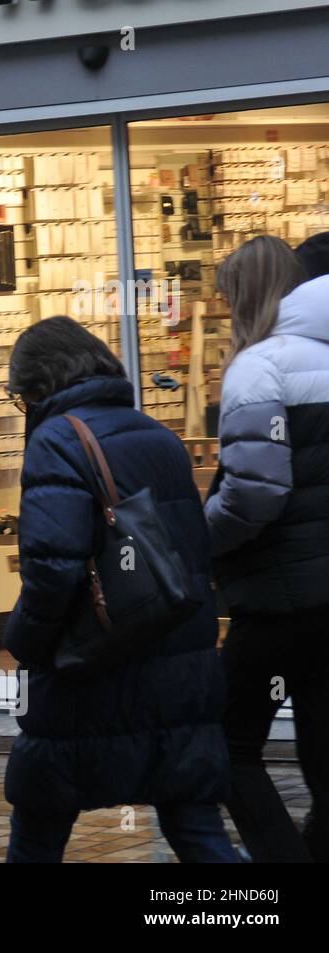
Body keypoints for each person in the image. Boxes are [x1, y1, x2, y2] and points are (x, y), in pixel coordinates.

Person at [2, 316, 235, 863]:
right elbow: (191, 550)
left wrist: (25, 642)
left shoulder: (56, 439)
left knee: (38, 823)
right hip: (176, 661)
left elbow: (52, 570)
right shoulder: (157, 434)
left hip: (90, 666)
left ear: (40, 387)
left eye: (22, 398)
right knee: (195, 822)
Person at [210, 235, 329, 863]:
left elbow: (254, 493)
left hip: (279, 593)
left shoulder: (261, 366)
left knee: (226, 743)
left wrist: (201, 539)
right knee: (322, 740)